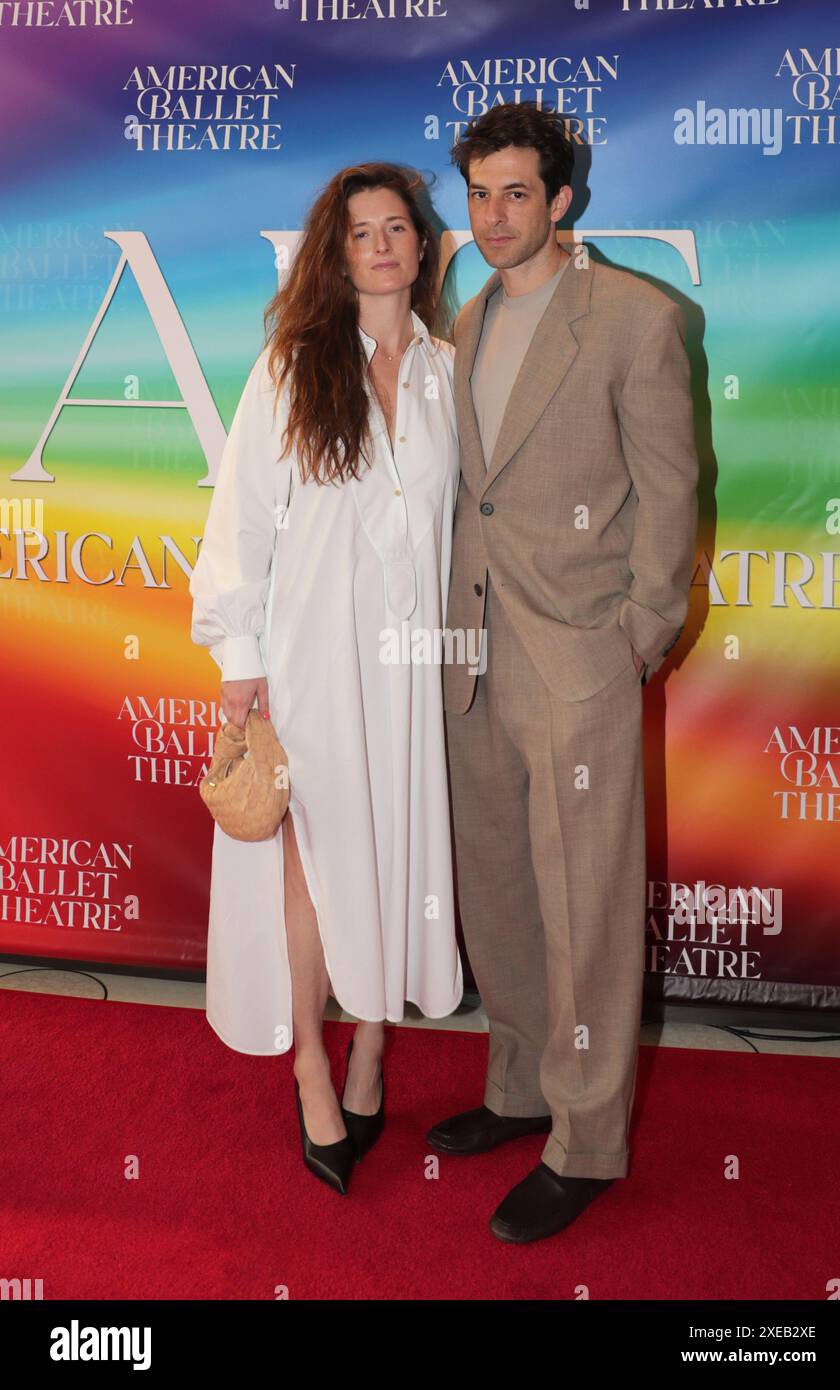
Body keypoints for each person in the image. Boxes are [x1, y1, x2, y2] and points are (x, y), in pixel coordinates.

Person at [428, 103, 699, 1243]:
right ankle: (519, 1087)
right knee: (496, 891)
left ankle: (585, 1142)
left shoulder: (635, 321)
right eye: (477, 195)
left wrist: (632, 636)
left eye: (515, 195)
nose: (493, 218)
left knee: (582, 909)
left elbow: (671, 494)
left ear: (563, 202)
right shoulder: (461, 319)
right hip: (469, 650)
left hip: (577, 655)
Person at [189, 163, 463, 1196]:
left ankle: (373, 1049)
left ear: (422, 246)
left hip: (411, 674)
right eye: (361, 230)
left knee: (390, 862)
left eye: (399, 226)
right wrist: (238, 662)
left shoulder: (445, 369)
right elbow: (240, 526)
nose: (383, 243)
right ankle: (311, 1058)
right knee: (311, 871)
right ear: (333, 251)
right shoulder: (292, 366)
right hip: (309, 663)